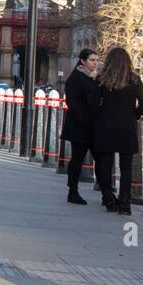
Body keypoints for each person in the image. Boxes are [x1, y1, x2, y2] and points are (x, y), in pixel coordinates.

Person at [92, 46, 143, 215]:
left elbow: (94, 102)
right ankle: (125, 203)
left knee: (105, 164)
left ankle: (109, 199)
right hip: (126, 126)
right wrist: (134, 115)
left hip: (106, 125)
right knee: (126, 167)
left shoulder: (102, 79)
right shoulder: (134, 80)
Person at [60, 48, 99, 205]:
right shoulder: (75, 78)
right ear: (82, 61)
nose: (95, 63)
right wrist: (84, 119)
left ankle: (107, 192)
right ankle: (73, 191)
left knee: (102, 160)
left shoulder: (96, 78)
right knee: (77, 158)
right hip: (79, 125)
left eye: (96, 60)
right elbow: (72, 103)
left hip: (94, 126)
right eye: (92, 60)